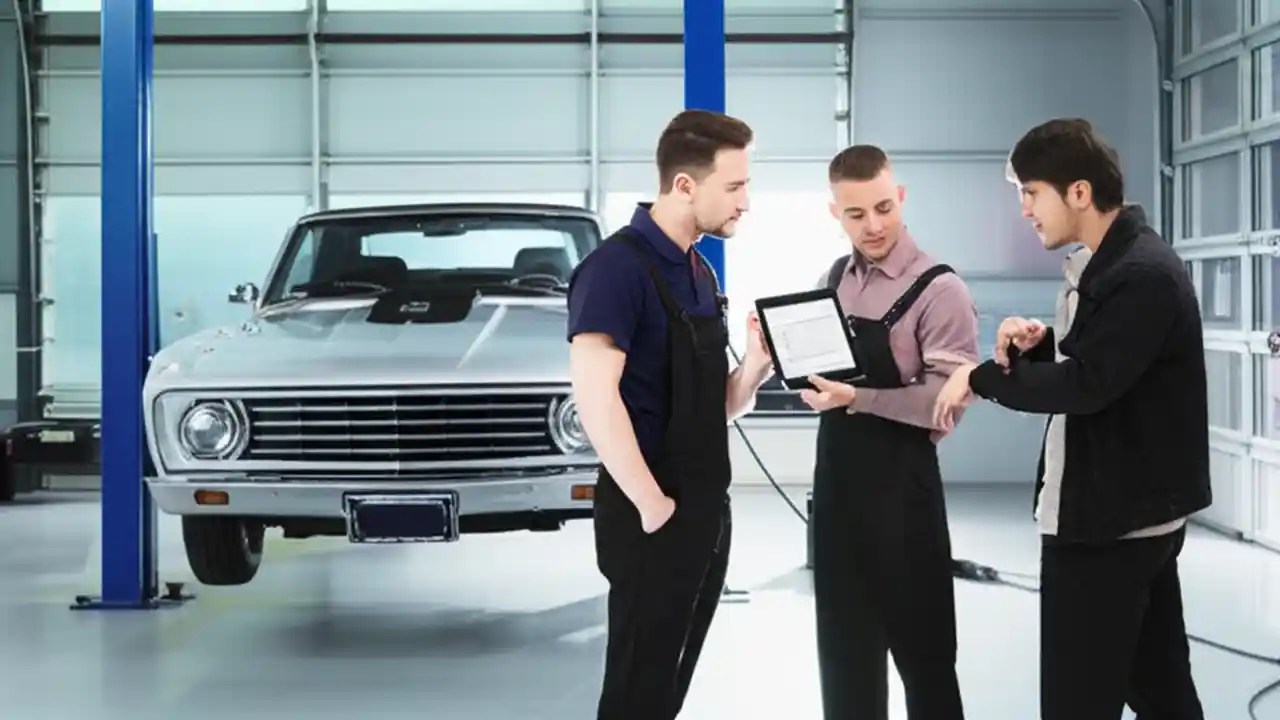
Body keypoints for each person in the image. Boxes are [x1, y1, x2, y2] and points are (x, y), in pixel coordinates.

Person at [933, 117, 1211, 720]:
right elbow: (1111, 361)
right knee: (1162, 692)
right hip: (1136, 521)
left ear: (1079, 192)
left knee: (1078, 702)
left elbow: (1087, 385)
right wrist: (1041, 344)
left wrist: (980, 377)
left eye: (1031, 193)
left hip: (1106, 529)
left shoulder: (1139, 274)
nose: (1026, 210)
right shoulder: (1120, 263)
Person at [565, 108, 774, 720]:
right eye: (734, 187)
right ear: (685, 185)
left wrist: (756, 365)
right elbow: (596, 400)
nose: (745, 202)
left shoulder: (698, 271)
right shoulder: (614, 270)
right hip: (652, 516)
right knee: (636, 684)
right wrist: (654, 507)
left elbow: (716, 409)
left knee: (666, 688)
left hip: (707, 510)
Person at [799, 144, 979, 720]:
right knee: (844, 659)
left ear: (899, 197)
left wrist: (858, 397)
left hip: (904, 501)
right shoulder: (831, 279)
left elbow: (946, 403)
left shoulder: (940, 289)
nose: (872, 226)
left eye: (882, 207)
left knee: (925, 661)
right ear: (836, 215)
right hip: (837, 496)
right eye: (856, 214)